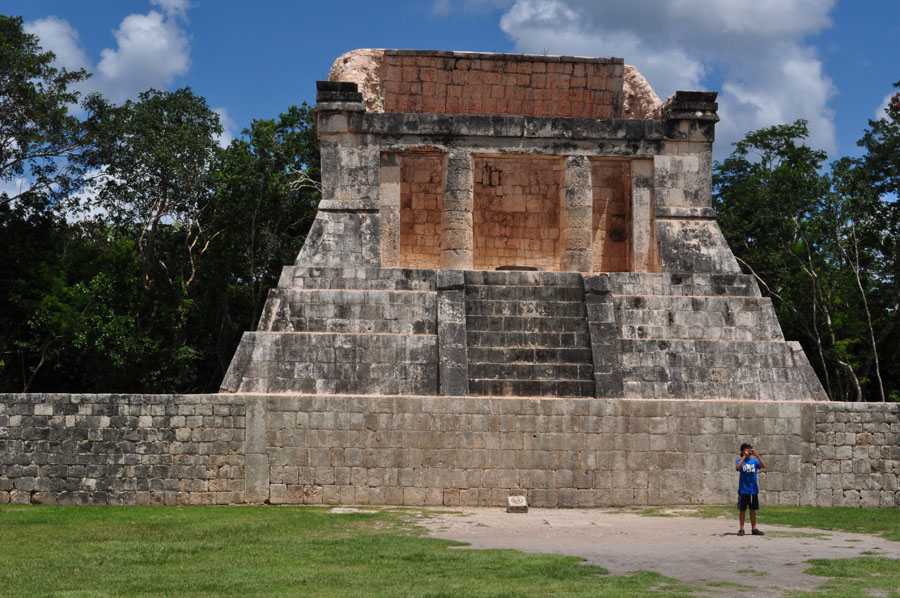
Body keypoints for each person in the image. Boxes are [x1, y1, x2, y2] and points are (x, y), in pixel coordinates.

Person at [735, 442, 765, 536]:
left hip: (753, 490)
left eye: (749, 449)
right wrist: (744, 457)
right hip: (743, 490)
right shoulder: (740, 460)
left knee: (753, 510)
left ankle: (754, 528)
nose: (748, 450)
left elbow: (763, 465)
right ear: (742, 451)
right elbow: (737, 467)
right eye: (746, 449)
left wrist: (756, 455)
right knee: (742, 510)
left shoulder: (754, 462)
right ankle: (742, 528)